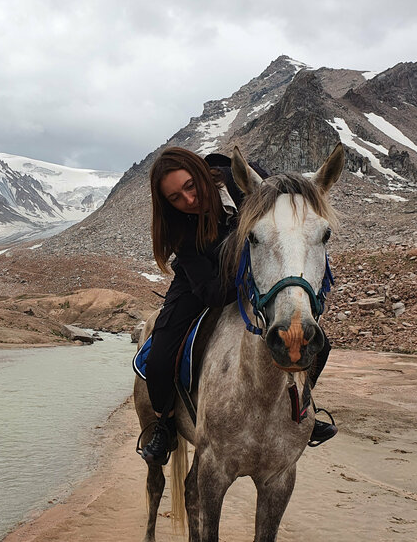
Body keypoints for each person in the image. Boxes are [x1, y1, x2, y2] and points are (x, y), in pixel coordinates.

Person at [139, 146, 337, 464]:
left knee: (319, 344)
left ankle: (303, 405)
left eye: (190, 186)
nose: (188, 200)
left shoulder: (245, 182)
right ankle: (164, 423)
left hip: (255, 269)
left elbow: (285, 215)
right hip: (202, 281)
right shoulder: (180, 230)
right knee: (160, 359)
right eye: (175, 198)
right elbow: (211, 293)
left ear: (202, 173)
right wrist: (246, 276)